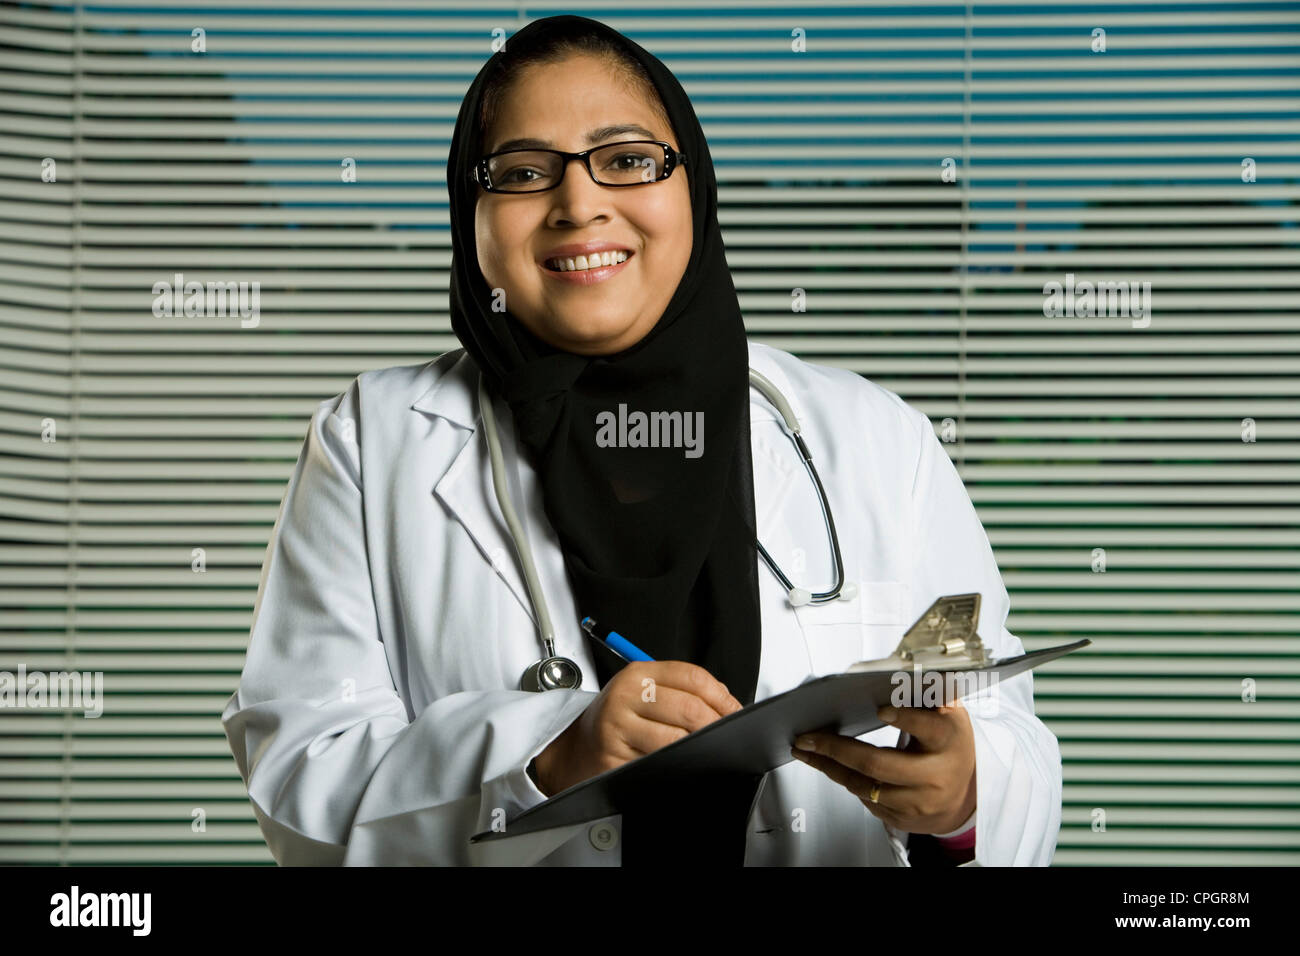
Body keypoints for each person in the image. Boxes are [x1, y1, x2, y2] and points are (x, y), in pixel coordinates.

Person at [221, 14, 1062, 866]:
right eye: (522, 172)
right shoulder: (372, 443)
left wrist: (962, 800)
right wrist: (548, 757)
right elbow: (300, 773)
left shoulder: (877, 440)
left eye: (625, 160)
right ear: (469, 215)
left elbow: (1007, 743)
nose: (579, 204)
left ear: (690, 185)